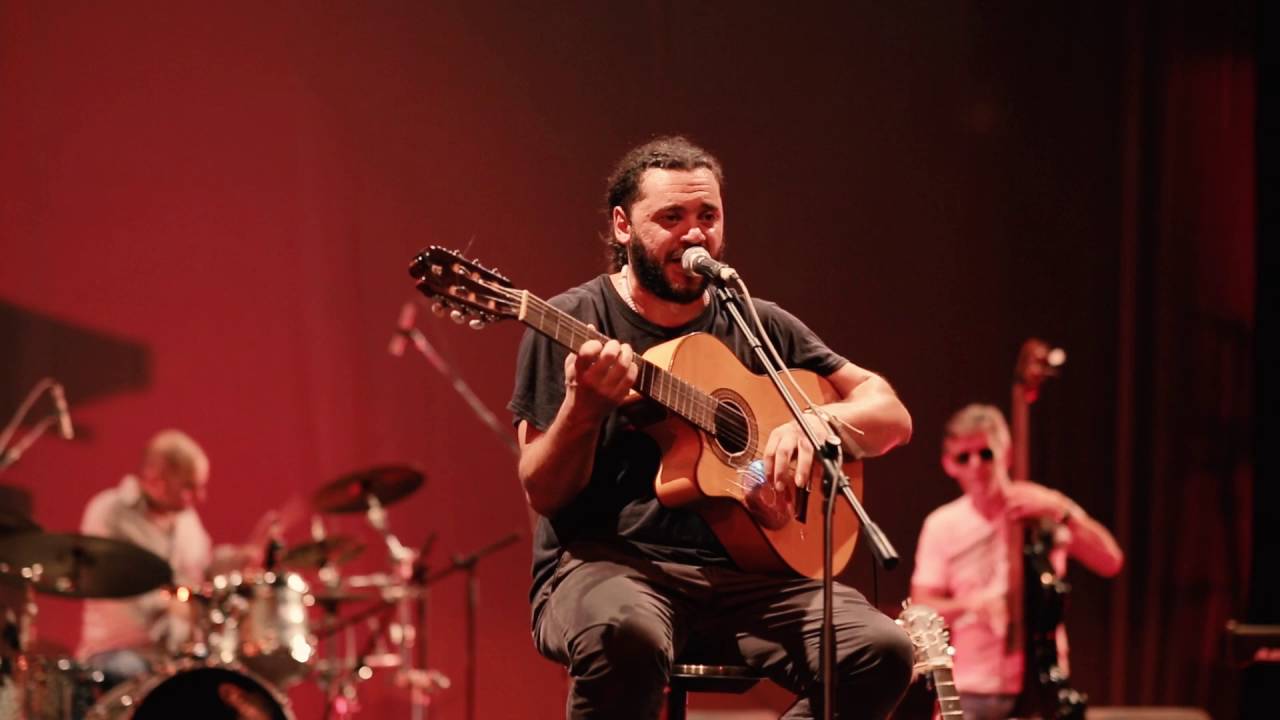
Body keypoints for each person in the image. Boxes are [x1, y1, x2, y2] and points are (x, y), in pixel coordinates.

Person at [508, 136, 915, 719]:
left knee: (882, 649)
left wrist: (817, 421)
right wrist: (583, 406)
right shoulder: (572, 321)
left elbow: (891, 416)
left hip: (745, 581)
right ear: (622, 226)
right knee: (627, 636)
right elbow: (542, 489)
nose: (695, 234)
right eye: (671, 218)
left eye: (708, 217)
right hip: (609, 567)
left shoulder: (757, 324)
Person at [910, 404, 1124, 720]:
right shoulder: (942, 525)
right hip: (972, 686)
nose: (976, 465)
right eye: (963, 457)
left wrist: (1061, 510)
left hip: (1042, 680)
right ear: (948, 465)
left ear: (1006, 453)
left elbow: (1110, 561)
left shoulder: (1042, 506)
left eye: (986, 453)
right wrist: (974, 604)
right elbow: (922, 607)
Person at [77, 429, 213, 686]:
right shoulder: (110, 512)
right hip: (117, 653)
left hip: (172, 658)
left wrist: (240, 560)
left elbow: (203, 568)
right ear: (155, 478)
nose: (200, 497)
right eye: (189, 487)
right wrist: (188, 608)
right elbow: (128, 595)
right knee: (138, 677)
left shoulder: (188, 521)